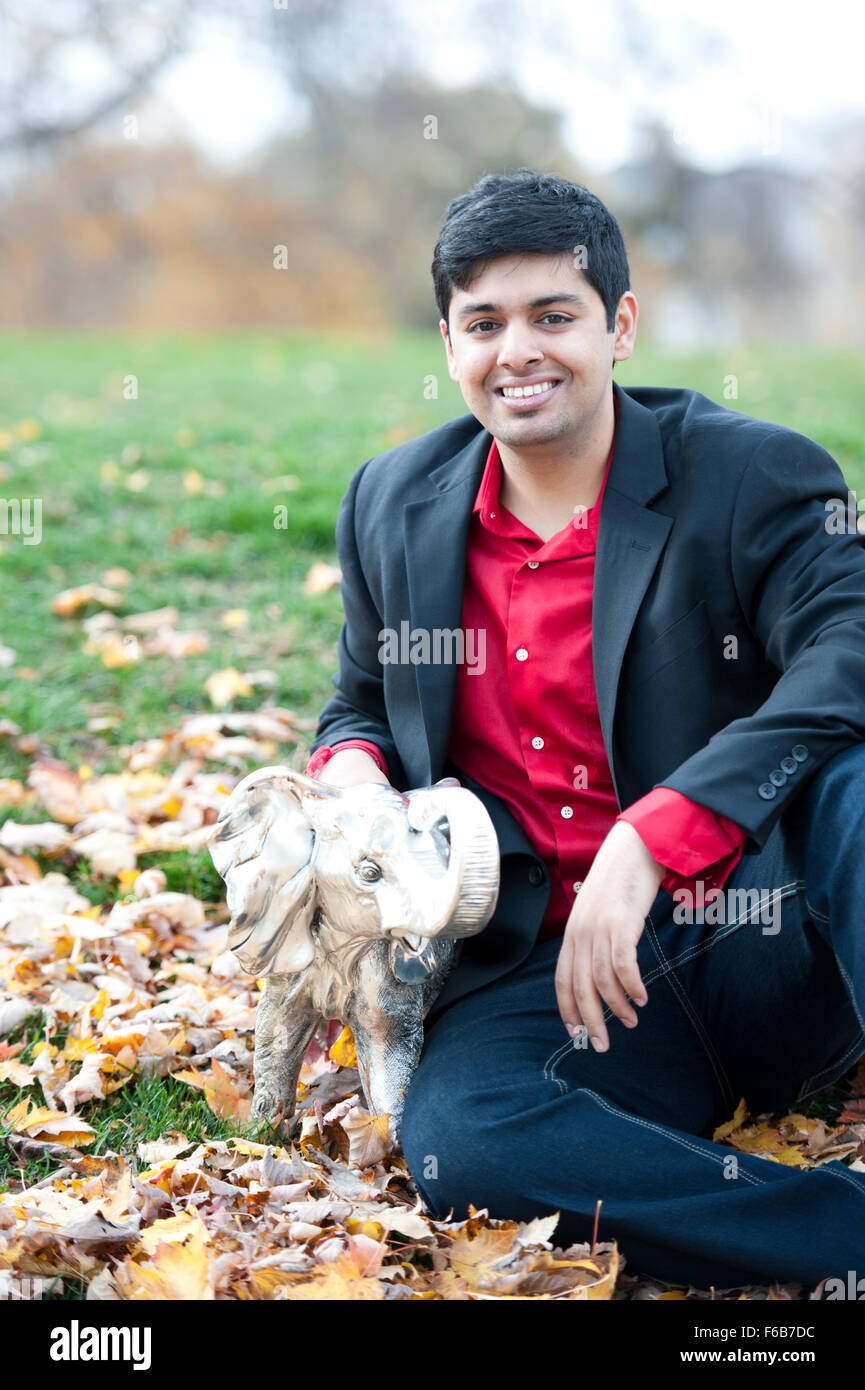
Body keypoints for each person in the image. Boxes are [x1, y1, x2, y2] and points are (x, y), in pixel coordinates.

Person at [303, 169, 865, 1291]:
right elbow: (359, 699)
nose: (520, 351)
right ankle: (830, 1234)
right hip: (549, 971)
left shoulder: (747, 473)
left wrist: (660, 829)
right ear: (450, 342)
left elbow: (849, 646)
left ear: (618, 324)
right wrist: (355, 780)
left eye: (553, 316)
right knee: (462, 1142)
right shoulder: (390, 501)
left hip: (761, 931)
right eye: (484, 323)